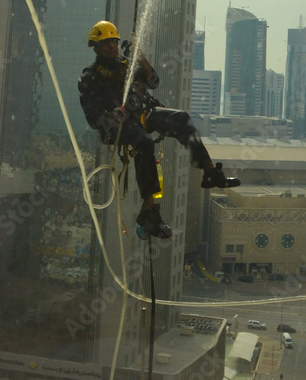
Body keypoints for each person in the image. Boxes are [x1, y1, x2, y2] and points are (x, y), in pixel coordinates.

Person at [79, 21, 240, 239]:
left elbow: (152, 80)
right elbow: (92, 117)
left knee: (181, 118)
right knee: (144, 143)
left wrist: (138, 53)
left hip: (142, 115)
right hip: (117, 127)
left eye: (114, 42)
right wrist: (110, 116)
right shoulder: (90, 76)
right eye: (105, 43)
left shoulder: (127, 64)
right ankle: (149, 209)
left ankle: (210, 172)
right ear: (95, 47)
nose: (111, 46)